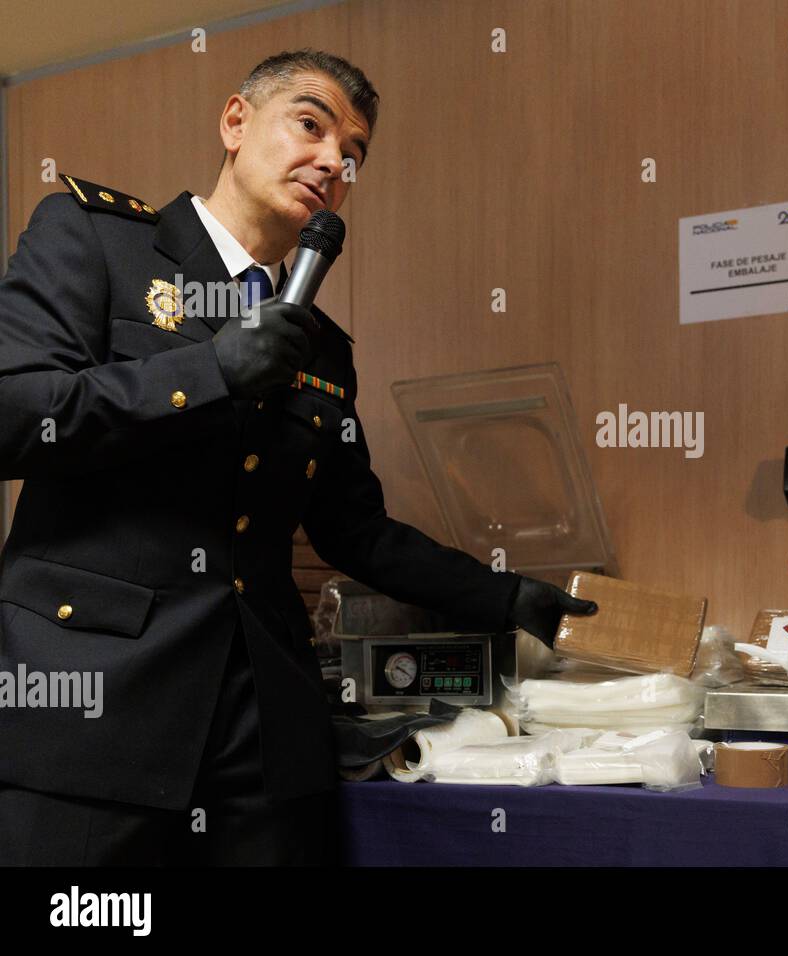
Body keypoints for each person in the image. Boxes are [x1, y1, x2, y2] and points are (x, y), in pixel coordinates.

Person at [0, 49, 595, 865]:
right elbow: (15, 415)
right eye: (310, 126)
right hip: (94, 716)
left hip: (261, 735)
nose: (332, 163)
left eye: (353, 156)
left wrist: (506, 596)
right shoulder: (95, 239)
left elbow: (356, 531)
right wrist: (206, 372)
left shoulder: (321, 347)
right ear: (236, 123)